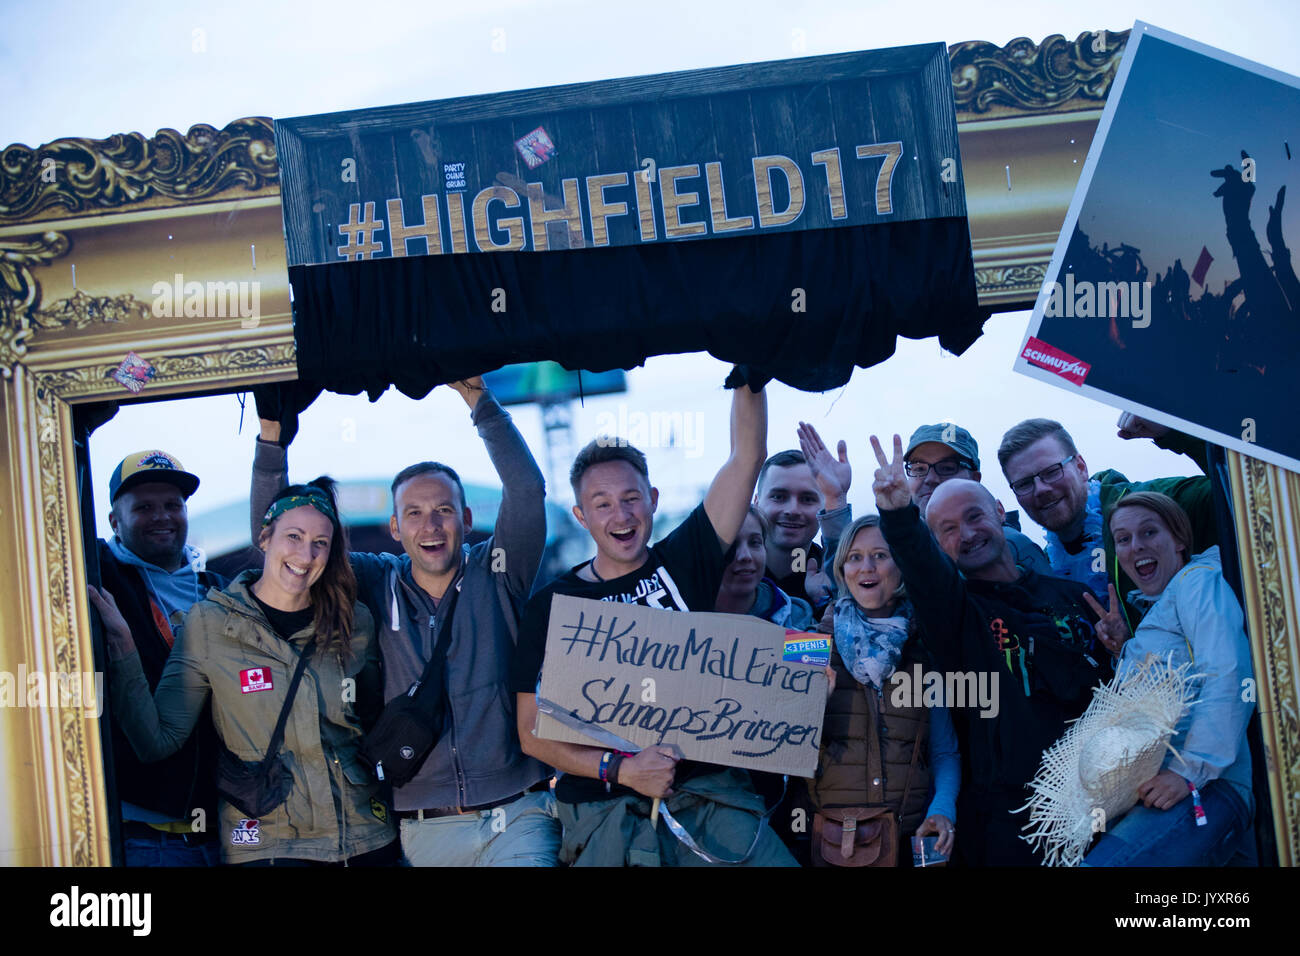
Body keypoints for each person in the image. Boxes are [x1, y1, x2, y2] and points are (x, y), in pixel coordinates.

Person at [250, 377, 557, 867]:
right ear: (394, 528)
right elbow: (279, 548)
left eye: (443, 511)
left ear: (468, 519)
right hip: (424, 829)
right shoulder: (375, 581)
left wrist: (480, 400)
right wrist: (271, 441)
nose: (429, 525)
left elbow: (526, 490)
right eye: (413, 513)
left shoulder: (499, 570)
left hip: (518, 812)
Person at [511, 379, 798, 866]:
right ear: (581, 516)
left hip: (713, 802)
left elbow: (746, 458)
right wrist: (621, 769)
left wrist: (751, 367)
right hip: (607, 811)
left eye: (631, 498)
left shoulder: (686, 561)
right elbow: (530, 730)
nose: (619, 515)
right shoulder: (552, 604)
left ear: (654, 499)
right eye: (601, 504)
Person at [92, 478, 398, 865]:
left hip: (366, 839)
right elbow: (157, 740)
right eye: (293, 535)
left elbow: (368, 718)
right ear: (265, 537)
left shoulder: (354, 622)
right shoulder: (209, 624)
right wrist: (123, 648)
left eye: (320, 542)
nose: (306, 554)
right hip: (269, 845)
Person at [869, 434, 1107, 865]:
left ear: (1000, 511)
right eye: (948, 529)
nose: (968, 533)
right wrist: (899, 515)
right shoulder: (956, 617)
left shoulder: (1073, 595)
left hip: (1101, 807)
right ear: (937, 543)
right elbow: (922, 569)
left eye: (975, 516)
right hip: (1016, 827)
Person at [1082, 492, 1256, 866]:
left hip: (1207, 786)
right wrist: (1124, 648)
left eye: (1148, 532)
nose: (1135, 546)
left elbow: (1228, 672)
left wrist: (1188, 771)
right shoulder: (1156, 612)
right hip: (1166, 792)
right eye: (1123, 539)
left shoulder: (1195, 582)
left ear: (1178, 539)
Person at [96, 449, 224, 866]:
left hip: (230, 831)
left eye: (173, 505)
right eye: (144, 507)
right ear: (115, 521)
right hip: (146, 840)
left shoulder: (218, 589)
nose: (162, 517)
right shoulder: (99, 575)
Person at [809, 514, 960, 866]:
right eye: (854, 557)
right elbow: (779, 749)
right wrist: (812, 710)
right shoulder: (808, 644)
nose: (867, 567)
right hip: (832, 844)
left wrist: (943, 810)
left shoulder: (925, 647)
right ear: (842, 569)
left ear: (902, 565)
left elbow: (944, 752)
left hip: (911, 839)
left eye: (880, 555)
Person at [997, 416, 1217, 625]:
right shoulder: (1046, 568)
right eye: (1024, 483)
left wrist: (1176, 432)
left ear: (1081, 467)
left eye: (1052, 471)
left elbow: (1242, 491)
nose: (1041, 489)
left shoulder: (1151, 507)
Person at [796, 422, 1050, 601]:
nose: (930, 477)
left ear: (975, 478)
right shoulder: (894, 546)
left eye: (947, 467)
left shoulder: (1010, 547)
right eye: (918, 468)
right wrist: (835, 498)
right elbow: (847, 595)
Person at [713, 506, 814, 630]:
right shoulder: (684, 613)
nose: (745, 556)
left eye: (755, 542)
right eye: (731, 544)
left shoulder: (800, 620)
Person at [752, 449, 829, 611]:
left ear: (824, 508)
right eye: (778, 497)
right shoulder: (726, 572)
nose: (792, 510)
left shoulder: (841, 580)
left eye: (807, 499)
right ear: (756, 502)